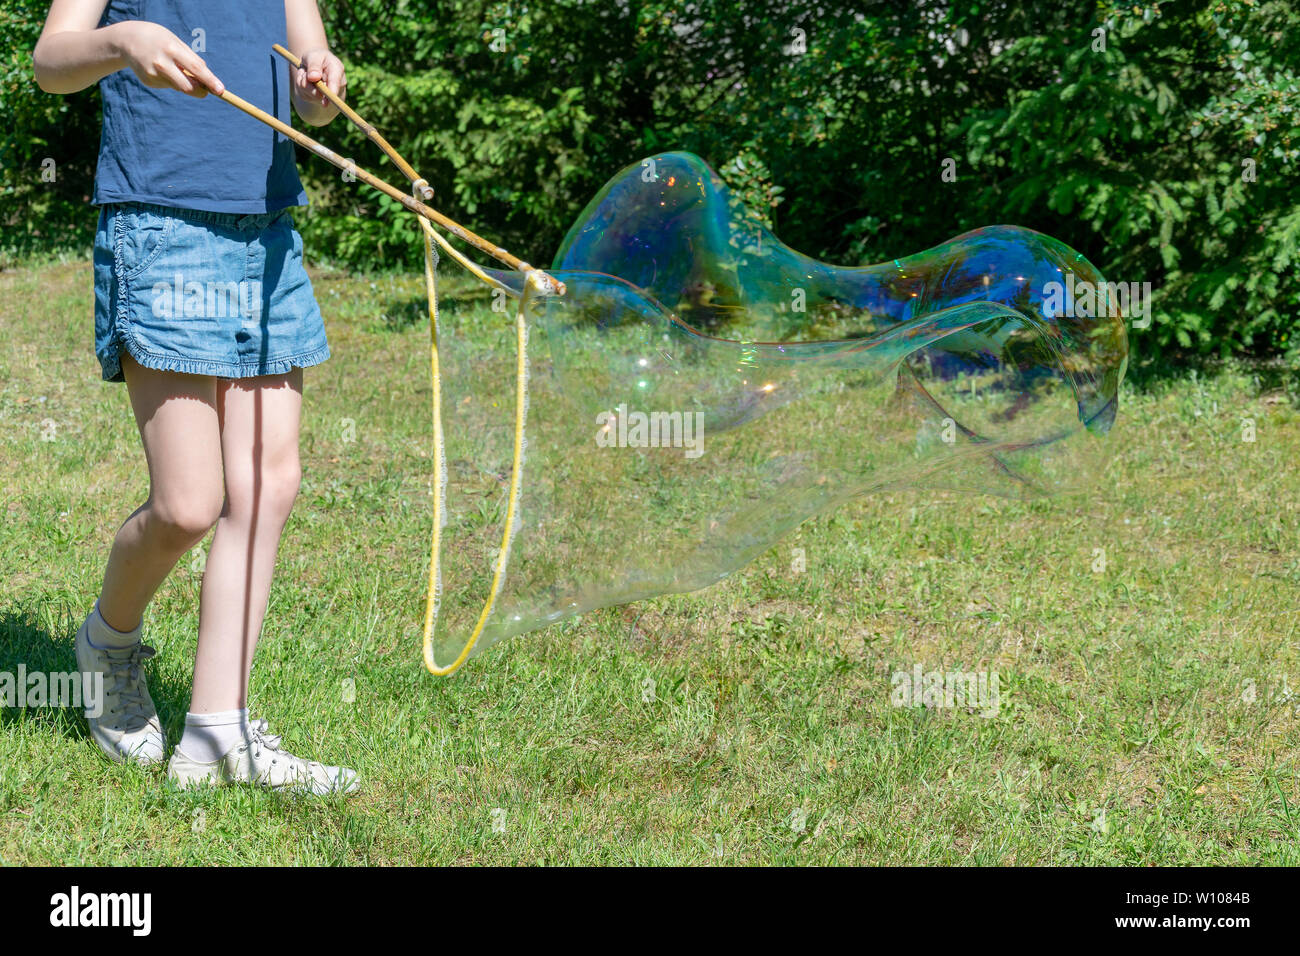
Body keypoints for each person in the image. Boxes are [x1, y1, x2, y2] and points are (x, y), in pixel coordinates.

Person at [32, 0, 358, 794]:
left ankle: (217, 733)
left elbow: (312, 74)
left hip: (269, 234)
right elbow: (50, 62)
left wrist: (322, 86)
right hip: (163, 226)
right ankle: (108, 642)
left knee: (269, 486)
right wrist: (122, 41)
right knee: (188, 505)